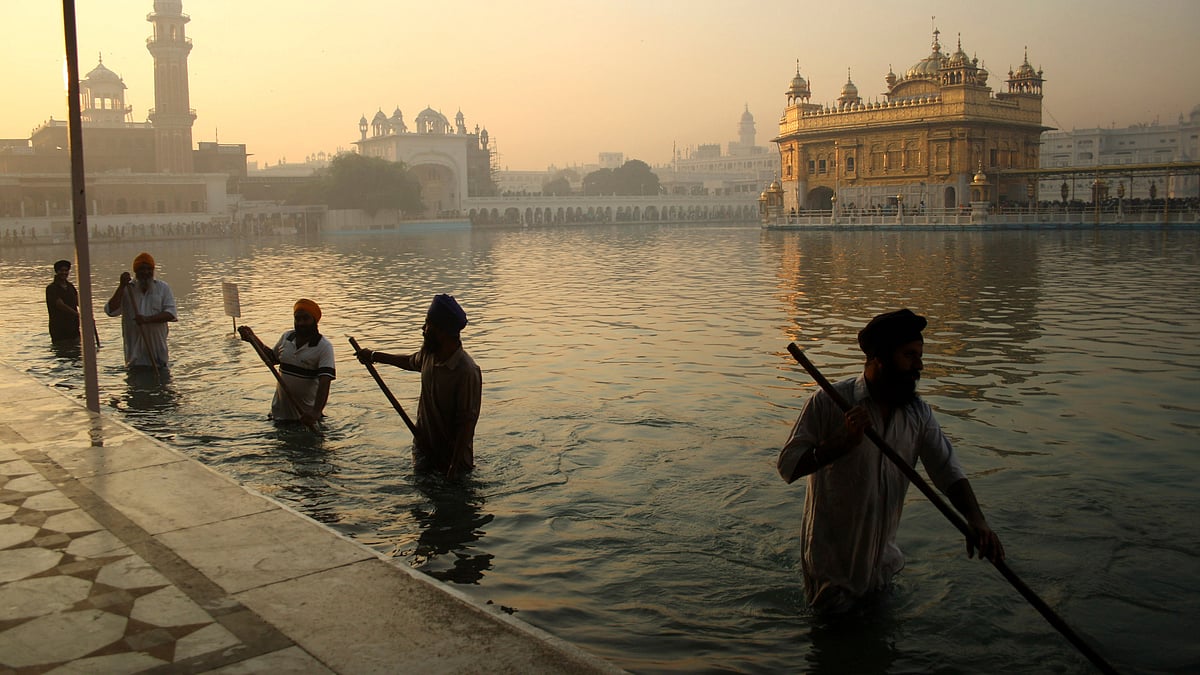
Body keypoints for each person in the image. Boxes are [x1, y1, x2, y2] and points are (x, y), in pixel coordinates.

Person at [777, 308, 1004, 615]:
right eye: (909, 355)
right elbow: (789, 467)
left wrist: (976, 520)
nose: (919, 365)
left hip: (883, 567)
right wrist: (844, 441)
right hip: (831, 574)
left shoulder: (917, 414)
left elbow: (948, 471)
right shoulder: (829, 402)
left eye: (919, 355)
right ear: (880, 358)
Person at [356, 294, 481, 478]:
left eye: (427, 325)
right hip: (423, 448)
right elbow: (409, 361)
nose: (422, 329)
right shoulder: (429, 355)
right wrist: (374, 356)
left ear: (442, 331)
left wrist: (453, 467)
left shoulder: (466, 371)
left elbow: (467, 423)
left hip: (452, 462)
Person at [238, 299, 335, 427]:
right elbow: (272, 359)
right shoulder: (287, 337)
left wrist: (315, 412)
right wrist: (253, 339)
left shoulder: (324, 347)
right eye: (297, 319)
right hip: (278, 415)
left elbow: (325, 382)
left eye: (306, 318)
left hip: (304, 419)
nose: (301, 323)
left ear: (315, 320)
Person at [104, 252, 176, 368]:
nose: (146, 272)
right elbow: (110, 311)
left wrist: (147, 319)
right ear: (136, 271)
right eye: (142, 269)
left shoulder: (163, 288)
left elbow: (170, 314)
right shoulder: (127, 289)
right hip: (134, 357)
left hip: (158, 355)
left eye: (149, 269)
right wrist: (121, 286)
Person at [46, 259, 80, 342]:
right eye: (61, 270)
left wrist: (87, 314)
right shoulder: (52, 288)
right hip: (59, 327)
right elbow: (60, 305)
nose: (64, 273)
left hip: (73, 325)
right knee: (63, 350)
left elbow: (78, 301)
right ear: (57, 272)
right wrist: (77, 314)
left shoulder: (70, 286)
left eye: (66, 270)